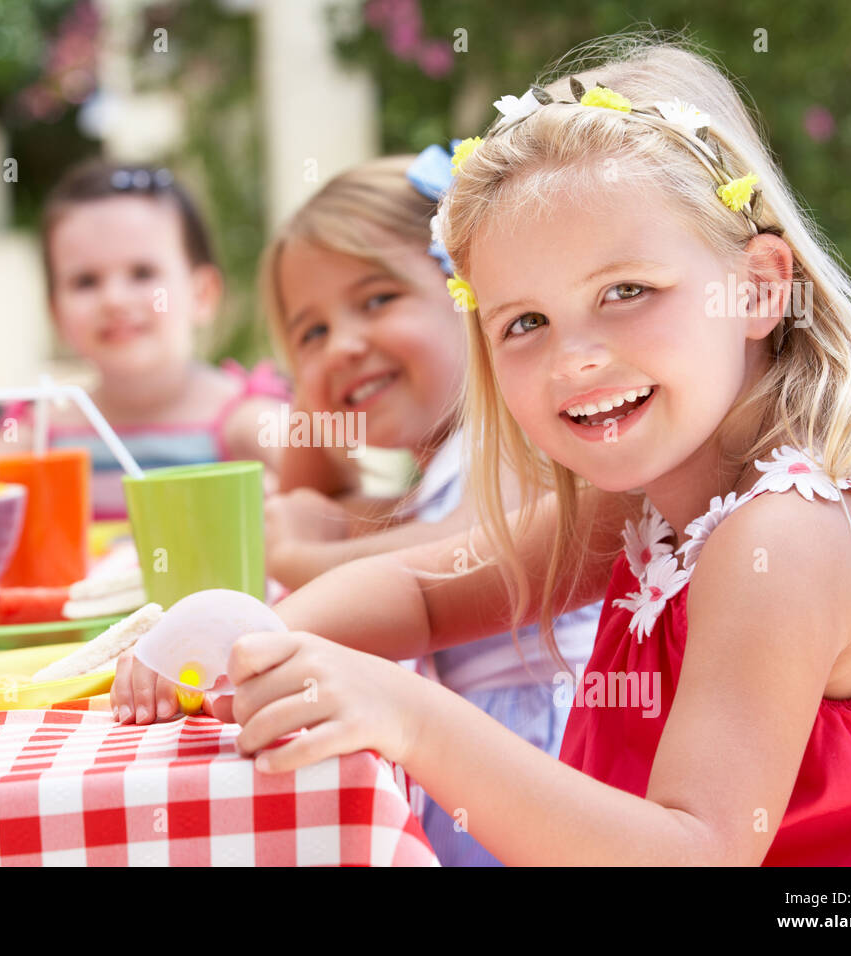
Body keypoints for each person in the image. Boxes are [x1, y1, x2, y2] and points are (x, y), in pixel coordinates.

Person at [121, 36, 851, 864]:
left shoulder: (786, 538)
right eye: (525, 322)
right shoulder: (656, 494)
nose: (575, 358)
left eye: (626, 291)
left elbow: (694, 851)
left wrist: (409, 717)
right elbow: (422, 593)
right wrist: (249, 644)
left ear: (758, 285)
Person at [254, 155, 601, 864]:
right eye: (310, 331)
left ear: (473, 297)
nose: (345, 342)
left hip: (547, 779)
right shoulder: (432, 470)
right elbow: (314, 498)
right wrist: (319, 391)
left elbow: (459, 548)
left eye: (376, 300)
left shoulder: (511, 433)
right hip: (482, 772)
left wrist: (297, 556)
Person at [0, 162, 287, 519]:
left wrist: (286, 500)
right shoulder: (41, 430)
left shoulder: (244, 419)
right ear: (55, 313)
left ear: (202, 294)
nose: (114, 300)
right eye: (86, 282)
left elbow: (334, 495)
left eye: (142, 273)